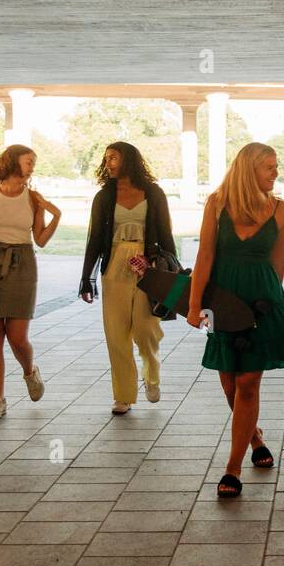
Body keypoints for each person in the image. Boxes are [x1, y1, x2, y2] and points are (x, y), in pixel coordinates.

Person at [188, 143, 284, 499]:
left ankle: (233, 466)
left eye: (276, 166)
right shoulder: (217, 204)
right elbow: (205, 255)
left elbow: (278, 262)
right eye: (269, 167)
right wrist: (194, 304)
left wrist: (271, 305)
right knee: (229, 383)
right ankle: (255, 437)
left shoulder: (279, 208)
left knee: (247, 383)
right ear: (249, 170)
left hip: (262, 303)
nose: (276, 173)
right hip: (223, 302)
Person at [0, 144, 61, 420]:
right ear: (12, 162)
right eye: (28, 161)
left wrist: (57, 216)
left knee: (17, 337)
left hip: (22, 264)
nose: (32, 167)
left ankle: (30, 371)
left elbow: (40, 240)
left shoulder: (33, 198)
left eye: (33, 163)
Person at [79, 142, 177, 414]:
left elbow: (166, 236)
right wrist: (86, 278)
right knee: (116, 332)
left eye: (114, 158)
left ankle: (152, 375)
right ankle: (123, 395)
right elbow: (94, 239)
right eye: (106, 158)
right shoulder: (104, 196)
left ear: (129, 160)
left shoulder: (154, 193)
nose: (108, 163)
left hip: (148, 267)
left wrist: (169, 273)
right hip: (115, 267)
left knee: (147, 330)